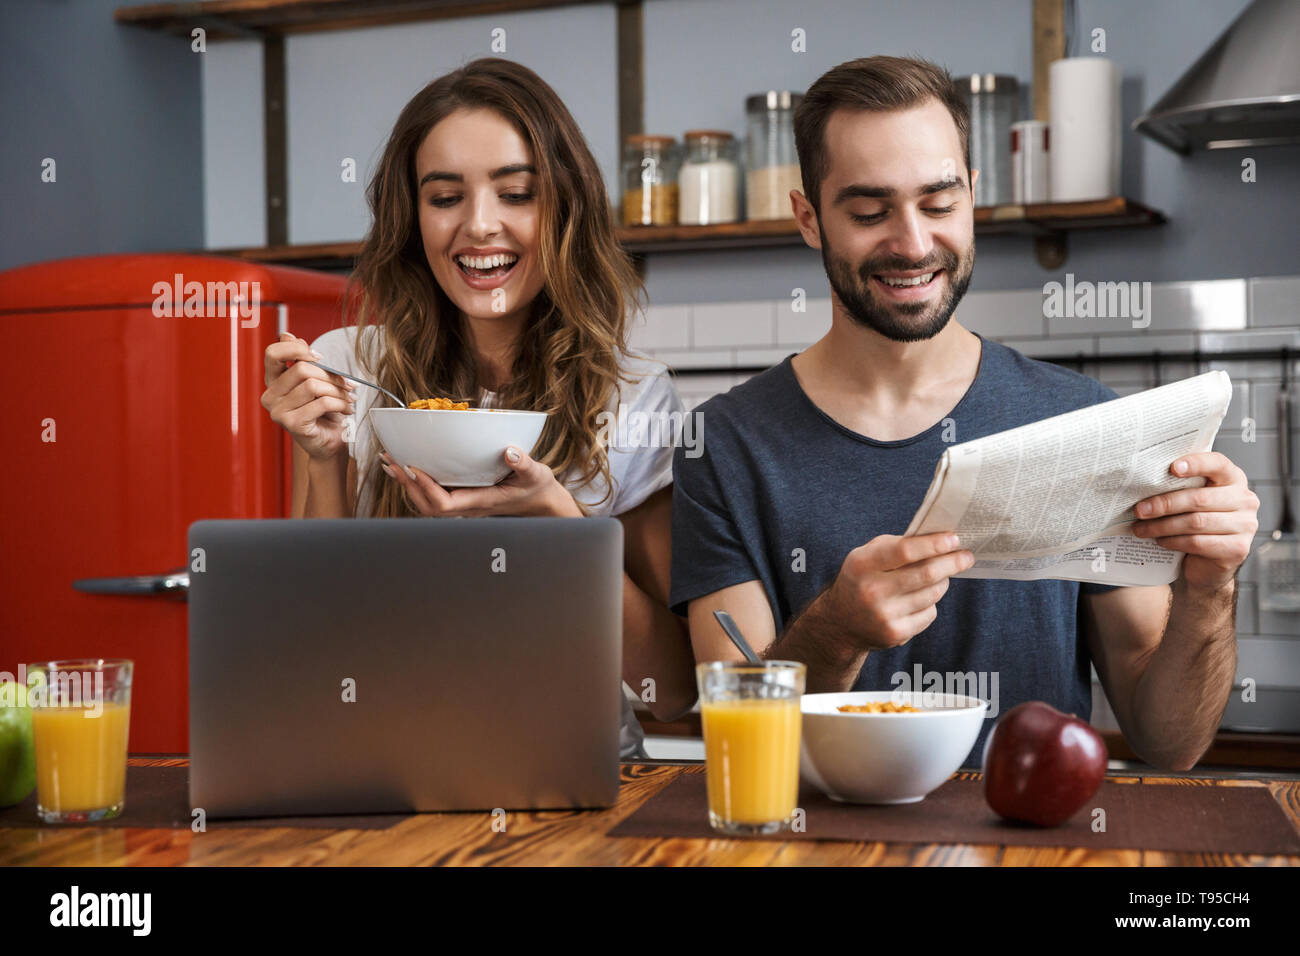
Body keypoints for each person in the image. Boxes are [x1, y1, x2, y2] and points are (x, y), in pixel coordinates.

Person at [670, 55, 1258, 770]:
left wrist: (1209, 588)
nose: (913, 243)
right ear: (809, 219)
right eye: (868, 211)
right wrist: (835, 633)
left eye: (939, 203)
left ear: (973, 198)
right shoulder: (723, 446)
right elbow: (739, 748)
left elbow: (1171, 744)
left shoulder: (1082, 421)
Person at [261, 58, 697, 758]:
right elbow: (317, 642)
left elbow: (671, 691)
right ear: (414, 219)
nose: (479, 226)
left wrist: (565, 533)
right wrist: (324, 460)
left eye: (517, 193)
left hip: (570, 778)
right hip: (388, 762)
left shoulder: (634, 394)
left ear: (564, 208)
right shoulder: (349, 367)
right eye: (444, 198)